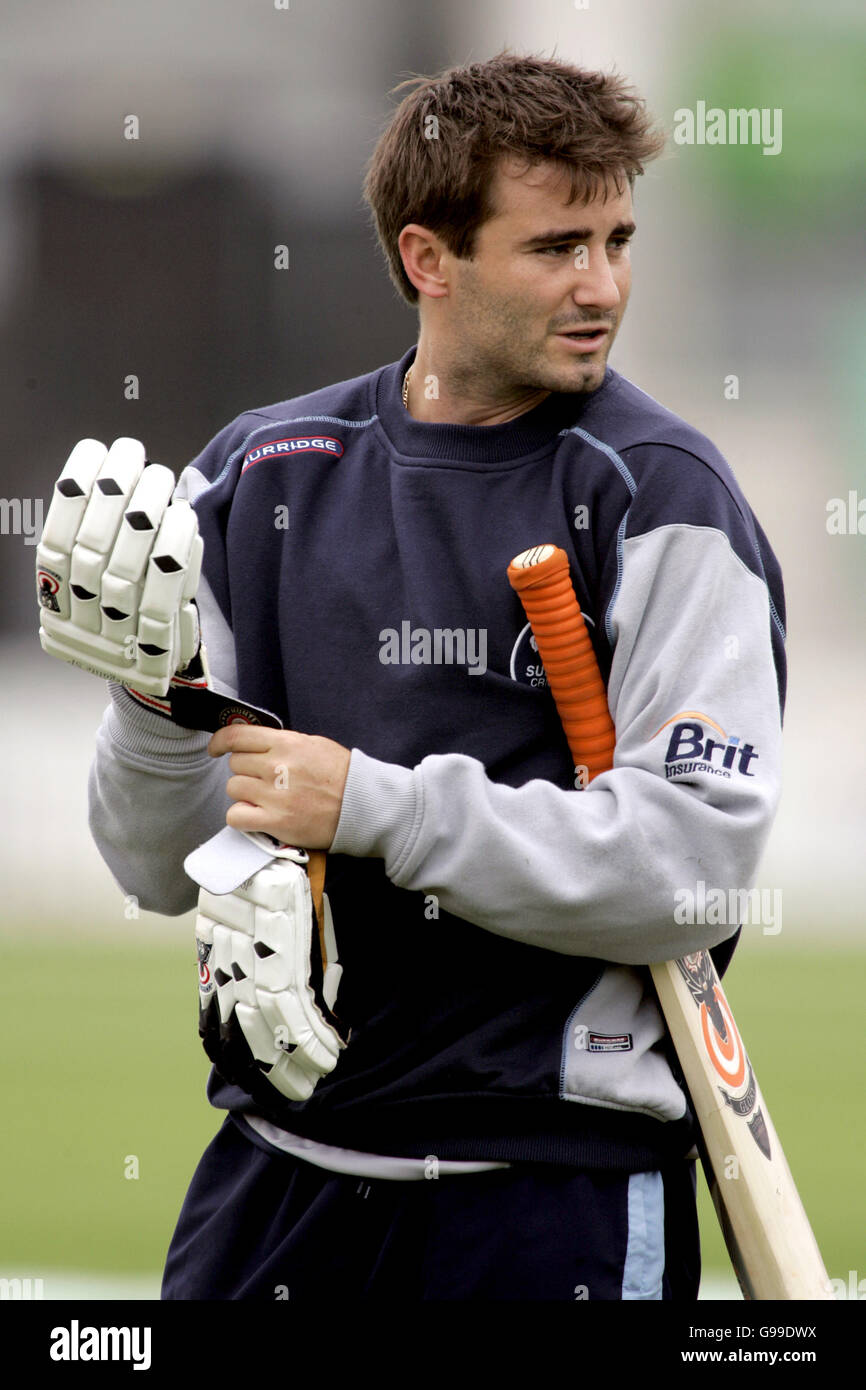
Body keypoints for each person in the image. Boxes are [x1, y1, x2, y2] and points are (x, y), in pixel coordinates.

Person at [77, 52, 785, 1300]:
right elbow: (153, 867)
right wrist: (145, 710)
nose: (601, 286)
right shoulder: (260, 474)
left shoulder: (666, 498)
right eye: (556, 246)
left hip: (545, 1202)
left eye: (617, 239)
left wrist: (370, 804)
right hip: (274, 1182)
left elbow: (687, 877)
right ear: (426, 259)